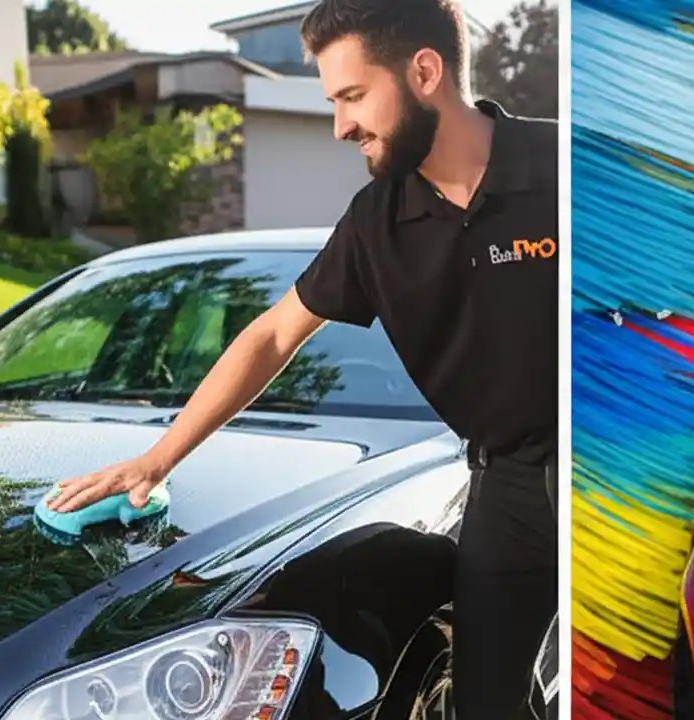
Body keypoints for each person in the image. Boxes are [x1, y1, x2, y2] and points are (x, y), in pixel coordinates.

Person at [46, 0, 559, 715]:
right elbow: (272, 335)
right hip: (506, 492)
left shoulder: (570, 170)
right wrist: (157, 459)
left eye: (352, 95)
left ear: (424, 71)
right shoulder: (375, 224)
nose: (340, 125)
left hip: (611, 471)